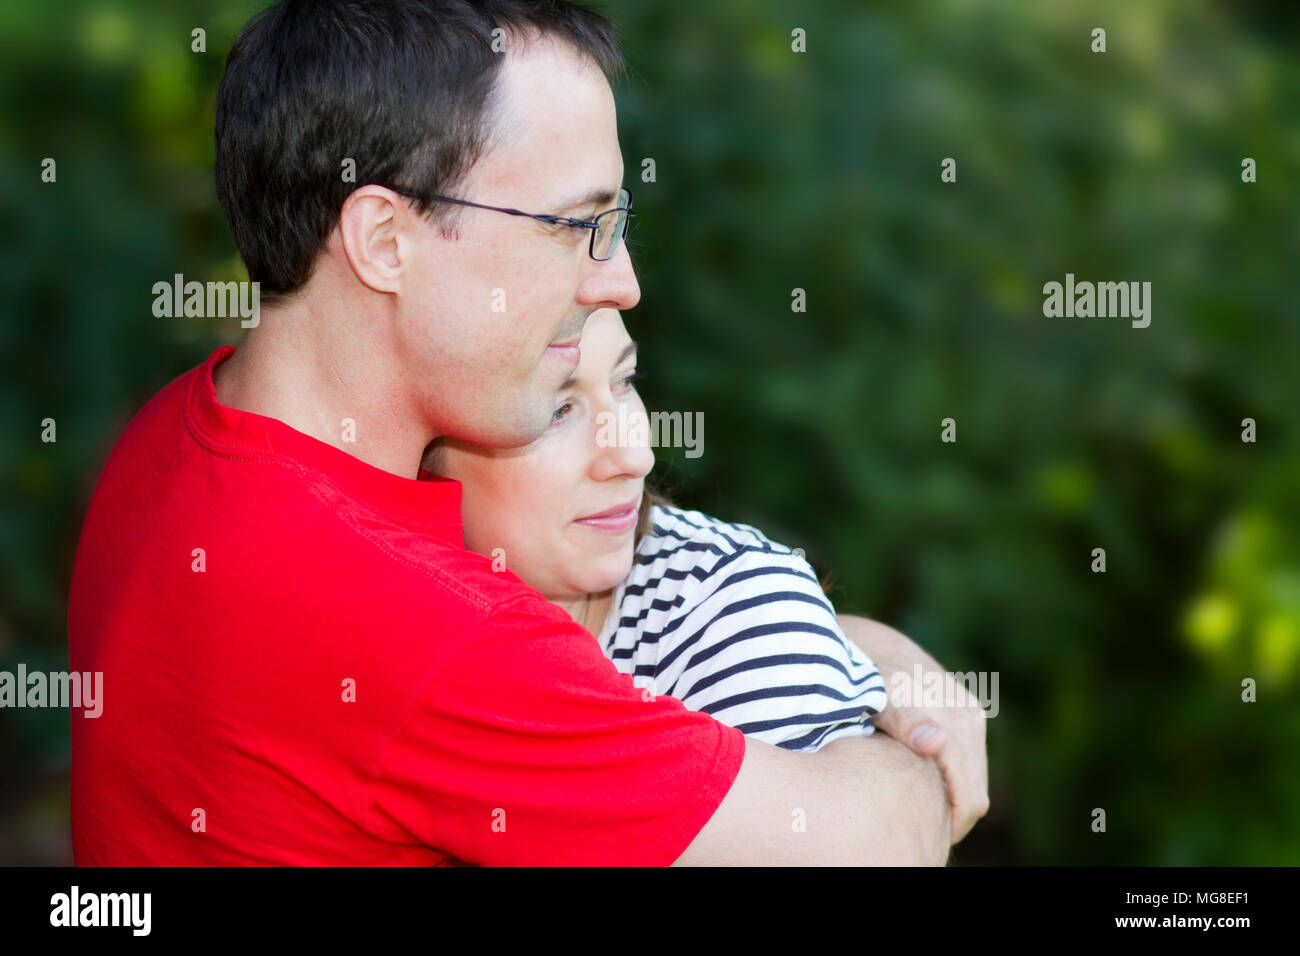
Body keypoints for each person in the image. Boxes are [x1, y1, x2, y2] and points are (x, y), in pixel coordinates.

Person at [68, 0, 985, 866]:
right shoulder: (419, 635)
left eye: (616, 223)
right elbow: (869, 847)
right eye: (575, 225)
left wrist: (866, 647)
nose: (619, 281)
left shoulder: (177, 433)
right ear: (384, 239)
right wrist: (921, 734)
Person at [424, 308, 891, 752]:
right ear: (423, 446)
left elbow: (846, 831)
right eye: (556, 410)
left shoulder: (732, 614)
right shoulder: (381, 640)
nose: (634, 457)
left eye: (625, 381)